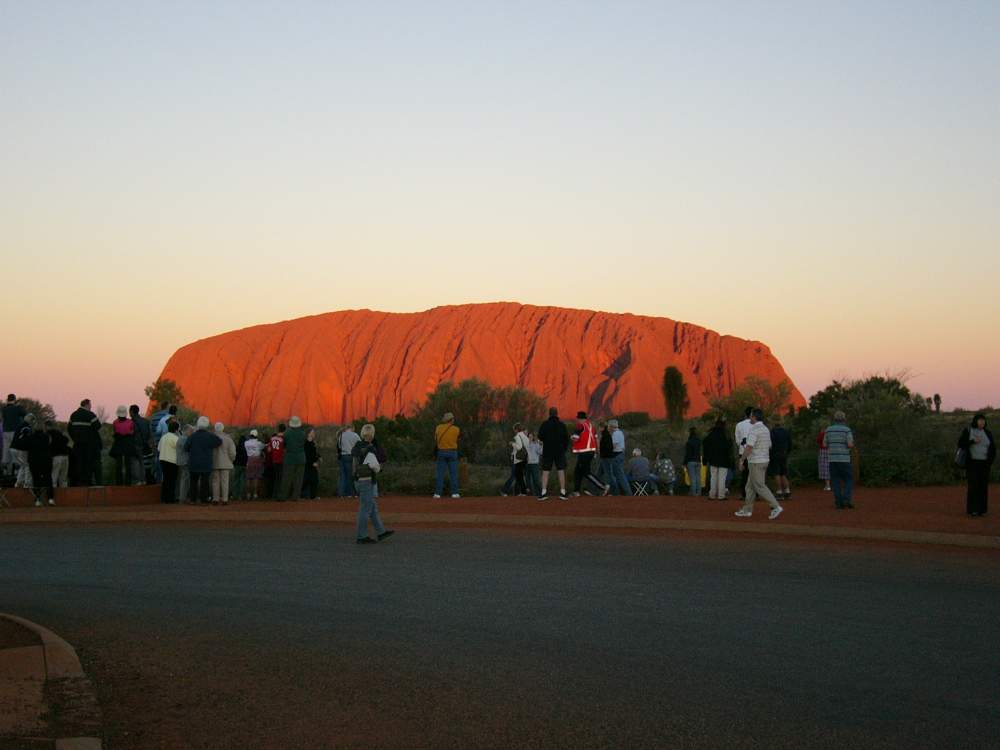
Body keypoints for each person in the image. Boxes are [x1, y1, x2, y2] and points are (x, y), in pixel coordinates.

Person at [734, 409, 783, 520]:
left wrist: (742, 460)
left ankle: (775, 506)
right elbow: (769, 445)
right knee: (749, 486)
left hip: (756, 461)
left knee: (759, 486)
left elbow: (749, 447)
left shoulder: (754, 429)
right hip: (764, 460)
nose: (750, 418)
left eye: (751, 416)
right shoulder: (765, 429)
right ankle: (747, 510)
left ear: (754, 417)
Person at [353, 423, 394, 544]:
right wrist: (379, 469)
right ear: (372, 435)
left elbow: (354, 464)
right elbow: (375, 466)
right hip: (367, 480)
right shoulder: (370, 449)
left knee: (372, 507)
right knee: (365, 509)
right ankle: (361, 536)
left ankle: (381, 532)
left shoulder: (357, 447)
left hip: (357, 480)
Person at [958, 414, 995, 517]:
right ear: (975, 421)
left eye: (983, 420)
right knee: (973, 486)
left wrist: (989, 462)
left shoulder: (988, 433)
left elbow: (993, 448)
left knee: (983, 487)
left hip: (984, 464)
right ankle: (973, 510)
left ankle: (982, 510)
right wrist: (972, 441)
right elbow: (960, 444)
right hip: (972, 463)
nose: (982, 422)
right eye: (980, 420)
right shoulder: (969, 431)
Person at [185, 416, 221, 503]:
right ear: (207, 425)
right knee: (205, 482)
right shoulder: (210, 436)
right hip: (206, 463)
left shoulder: (192, 436)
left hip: (193, 463)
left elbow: (186, 447)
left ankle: (192, 499)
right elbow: (219, 441)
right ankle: (203, 500)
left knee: (193, 482)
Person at [823, 411, 855, 509]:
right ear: (844, 419)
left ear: (834, 419)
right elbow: (849, 444)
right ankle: (846, 499)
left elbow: (824, 445)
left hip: (832, 459)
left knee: (836, 481)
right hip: (844, 459)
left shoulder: (828, 430)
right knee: (849, 479)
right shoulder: (847, 430)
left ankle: (839, 502)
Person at [570, 411, 607, 497]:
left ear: (580, 419)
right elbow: (596, 439)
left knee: (586, 472)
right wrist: (597, 451)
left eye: (578, 419)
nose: (577, 420)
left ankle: (603, 486)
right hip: (591, 452)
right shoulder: (591, 426)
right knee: (578, 471)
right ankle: (576, 491)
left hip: (584, 452)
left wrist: (571, 437)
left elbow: (575, 438)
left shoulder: (580, 426)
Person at [537, 407, 569, 500]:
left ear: (549, 414)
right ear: (557, 414)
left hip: (547, 451)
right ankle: (563, 492)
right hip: (559, 451)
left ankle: (543, 492)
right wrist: (564, 449)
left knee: (546, 471)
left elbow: (540, 437)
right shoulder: (562, 425)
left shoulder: (545, 424)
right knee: (561, 470)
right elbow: (566, 439)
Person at [68, 399, 102, 486]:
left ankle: (78, 483)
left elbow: (69, 428)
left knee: (78, 463)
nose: (91, 407)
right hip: (89, 445)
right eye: (90, 405)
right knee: (88, 464)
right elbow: (98, 426)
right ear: (86, 405)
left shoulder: (74, 415)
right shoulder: (90, 415)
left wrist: (75, 438)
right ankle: (87, 482)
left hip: (77, 444)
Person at [702, 418, 733, 500]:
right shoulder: (725, 435)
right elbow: (729, 448)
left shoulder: (710, 435)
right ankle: (721, 495)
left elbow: (705, 446)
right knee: (722, 478)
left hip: (713, 460)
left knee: (713, 477)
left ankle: (712, 495)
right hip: (724, 460)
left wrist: (705, 459)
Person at [25, 418, 53, 507]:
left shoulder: (30, 438)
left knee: (36, 480)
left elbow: (26, 447)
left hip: (34, 461)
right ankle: (50, 498)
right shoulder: (46, 437)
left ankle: (37, 499)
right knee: (48, 479)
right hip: (46, 461)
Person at [278, 416, 307, 502]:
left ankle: (283, 496)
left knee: (286, 477)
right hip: (301, 458)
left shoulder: (287, 433)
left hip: (289, 458)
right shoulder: (303, 434)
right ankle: (295, 496)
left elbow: (284, 444)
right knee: (298, 479)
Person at [109, 406, 139, 486]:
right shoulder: (131, 422)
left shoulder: (115, 422)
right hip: (128, 445)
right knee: (128, 464)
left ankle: (119, 482)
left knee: (119, 465)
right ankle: (128, 482)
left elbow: (115, 432)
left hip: (118, 444)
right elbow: (133, 433)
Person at [433, 412, 461, 499]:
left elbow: (436, 439)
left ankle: (438, 493)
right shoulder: (456, 429)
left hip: (441, 452)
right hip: (452, 452)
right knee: (454, 473)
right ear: (451, 420)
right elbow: (458, 439)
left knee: (440, 474)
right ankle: (455, 493)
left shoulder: (438, 428)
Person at [211, 422, 237, 505]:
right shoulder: (228, 439)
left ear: (215, 428)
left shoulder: (212, 438)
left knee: (215, 481)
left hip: (214, 462)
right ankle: (225, 499)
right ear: (223, 429)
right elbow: (232, 452)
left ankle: (215, 499)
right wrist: (231, 460)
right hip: (226, 463)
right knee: (225, 482)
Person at [501, 423, 530, 496]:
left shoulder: (517, 436)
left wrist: (512, 444)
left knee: (514, 475)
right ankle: (522, 492)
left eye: (514, 429)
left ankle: (504, 490)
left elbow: (519, 447)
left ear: (516, 429)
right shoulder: (526, 437)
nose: (514, 431)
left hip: (517, 459)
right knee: (519, 475)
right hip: (524, 458)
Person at [2, 394, 26, 477]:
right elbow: (24, 414)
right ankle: (16, 469)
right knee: (15, 449)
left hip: (5, 431)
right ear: (14, 400)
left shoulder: (4, 409)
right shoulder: (17, 408)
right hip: (15, 431)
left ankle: (5, 469)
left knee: (6, 449)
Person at [769, 417, 793, 500]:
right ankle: (787, 491)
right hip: (784, 454)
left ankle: (779, 492)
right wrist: (787, 452)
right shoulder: (786, 432)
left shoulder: (772, 432)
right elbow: (790, 444)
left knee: (776, 473)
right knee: (783, 473)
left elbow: (770, 444)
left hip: (775, 454)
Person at [607, 419, 632, 496]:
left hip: (617, 456)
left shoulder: (616, 434)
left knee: (619, 475)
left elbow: (613, 446)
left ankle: (627, 492)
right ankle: (618, 492)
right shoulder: (620, 432)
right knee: (618, 474)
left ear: (611, 426)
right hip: (620, 455)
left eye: (608, 426)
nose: (608, 428)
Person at [10, 413, 35, 488]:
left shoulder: (20, 425)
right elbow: (27, 439)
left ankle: (18, 483)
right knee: (27, 465)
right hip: (20, 449)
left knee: (23, 466)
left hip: (13, 448)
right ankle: (27, 484)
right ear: (31, 420)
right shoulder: (26, 427)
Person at [158, 421, 180, 503]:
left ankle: (164, 498)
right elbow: (179, 449)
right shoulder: (175, 438)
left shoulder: (163, 437)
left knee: (166, 479)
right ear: (176, 429)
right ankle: (170, 499)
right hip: (172, 461)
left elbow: (159, 448)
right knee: (172, 480)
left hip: (162, 460)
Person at [129, 405, 152, 484]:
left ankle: (137, 480)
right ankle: (143, 480)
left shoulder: (131, 422)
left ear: (132, 412)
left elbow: (130, 434)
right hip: (144, 445)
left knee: (135, 463)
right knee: (142, 463)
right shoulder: (146, 421)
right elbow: (149, 434)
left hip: (135, 445)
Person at [336, 423, 360, 498]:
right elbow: (360, 444)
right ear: (352, 428)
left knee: (343, 475)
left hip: (342, 456)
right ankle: (350, 493)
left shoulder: (341, 435)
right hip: (350, 456)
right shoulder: (355, 435)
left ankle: (341, 493)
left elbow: (339, 446)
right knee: (350, 475)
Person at [734, 407, 753, 500]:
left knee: (744, 474)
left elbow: (737, 441)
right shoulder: (756, 425)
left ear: (745, 414)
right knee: (754, 474)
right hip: (754, 453)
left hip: (743, 452)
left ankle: (744, 494)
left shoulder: (739, 425)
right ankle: (754, 494)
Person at [47, 421, 71, 490]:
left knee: (54, 477)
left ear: (47, 426)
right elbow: (66, 440)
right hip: (65, 456)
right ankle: (64, 496)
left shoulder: (48, 434)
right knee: (63, 479)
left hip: (56, 456)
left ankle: (52, 495)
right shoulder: (60, 433)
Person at [244, 429, 265, 500]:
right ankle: (255, 494)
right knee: (256, 478)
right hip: (257, 460)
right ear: (256, 436)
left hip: (249, 459)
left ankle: (248, 494)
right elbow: (263, 447)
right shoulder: (258, 443)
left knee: (248, 478)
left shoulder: (246, 443)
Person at [267, 424, 286, 499]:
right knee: (280, 478)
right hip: (281, 460)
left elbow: (269, 450)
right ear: (284, 430)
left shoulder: (272, 438)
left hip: (274, 460)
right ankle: (280, 495)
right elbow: (285, 450)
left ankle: (274, 495)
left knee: (276, 478)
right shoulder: (283, 439)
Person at [302, 428, 321, 499]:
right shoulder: (306, 444)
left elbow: (314, 453)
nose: (314, 434)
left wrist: (319, 457)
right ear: (308, 434)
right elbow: (307, 455)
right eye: (312, 433)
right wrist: (312, 463)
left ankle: (313, 496)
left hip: (313, 464)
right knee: (306, 480)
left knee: (314, 480)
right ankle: (302, 495)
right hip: (308, 465)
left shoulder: (313, 443)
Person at [176, 425, 193, 502]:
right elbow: (188, 448)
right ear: (186, 430)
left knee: (184, 479)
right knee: (185, 480)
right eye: (190, 431)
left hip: (181, 461)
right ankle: (183, 498)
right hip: (184, 461)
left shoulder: (181, 438)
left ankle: (182, 497)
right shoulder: (184, 439)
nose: (191, 433)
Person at [683, 427, 703, 496]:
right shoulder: (699, 441)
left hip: (691, 461)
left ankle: (693, 493)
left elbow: (687, 454)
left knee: (692, 478)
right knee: (698, 477)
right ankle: (699, 492)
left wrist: (684, 462)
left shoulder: (689, 442)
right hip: (698, 460)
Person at [525, 432, 542, 496]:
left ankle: (540, 493)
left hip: (535, 464)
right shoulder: (526, 445)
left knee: (535, 479)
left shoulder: (536, 444)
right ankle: (531, 493)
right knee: (527, 479)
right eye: (529, 437)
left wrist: (541, 445)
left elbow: (540, 452)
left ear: (533, 437)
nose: (530, 438)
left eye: (531, 437)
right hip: (528, 464)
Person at [232, 433, 248, 500]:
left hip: (237, 465)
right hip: (244, 465)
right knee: (242, 481)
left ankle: (235, 495)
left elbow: (234, 455)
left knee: (236, 480)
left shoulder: (236, 447)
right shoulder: (246, 448)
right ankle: (241, 495)